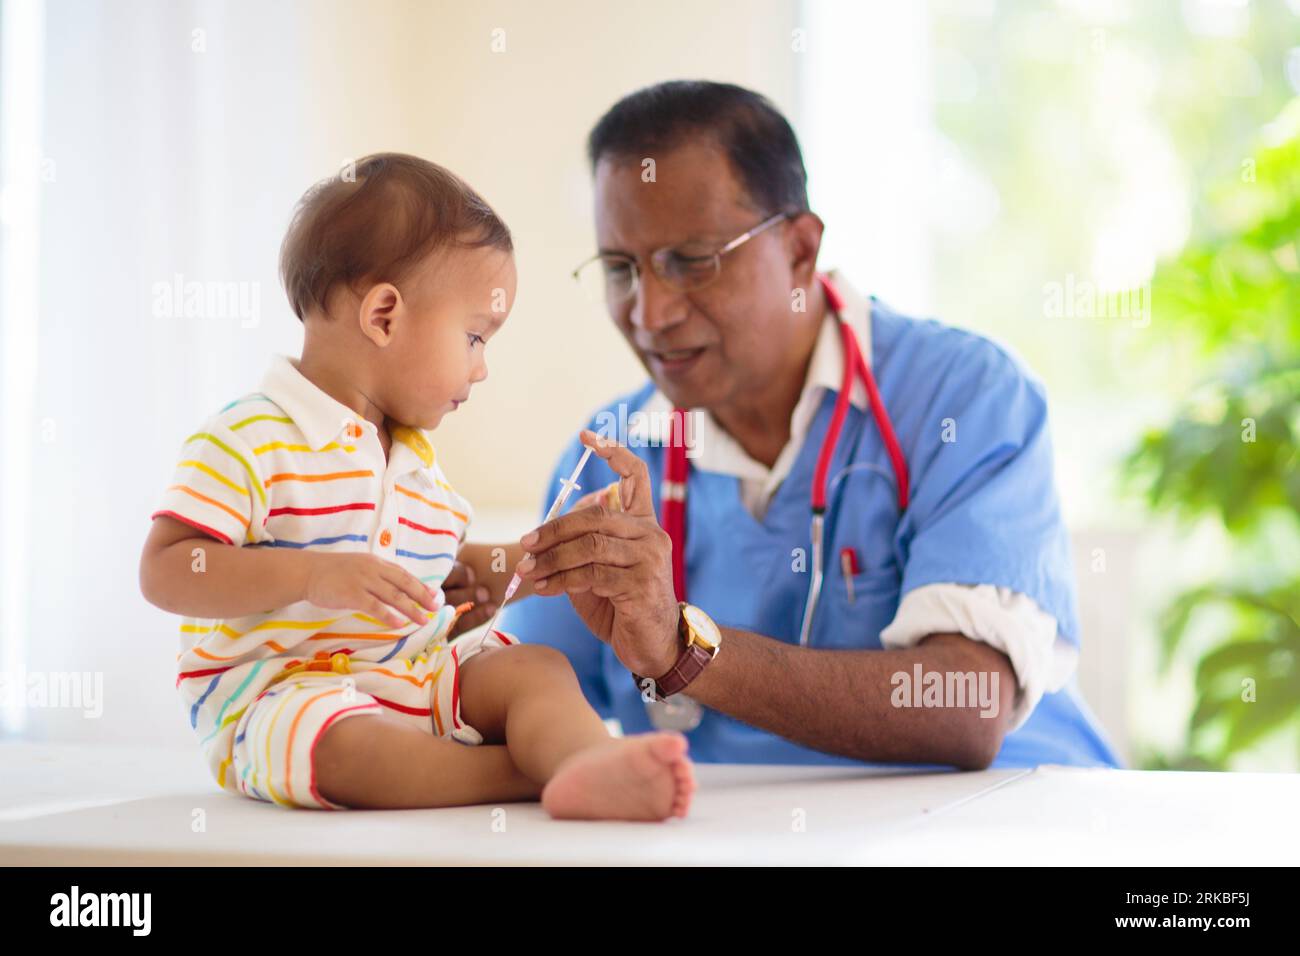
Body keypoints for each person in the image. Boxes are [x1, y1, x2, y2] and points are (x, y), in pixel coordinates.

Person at [454, 81, 1119, 771]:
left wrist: (682, 648)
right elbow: (528, 691)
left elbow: (965, 703)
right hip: (747, 839)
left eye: (692, 262)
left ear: (801, 249)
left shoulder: (965, 398)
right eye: (621, 269)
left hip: (1005, 825)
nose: (651, 313)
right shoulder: (608, 454)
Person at [138, 153, 695, 819]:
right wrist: (313, 576)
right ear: (383, 315)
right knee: (346, 750)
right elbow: (167, 569)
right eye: (475, 337)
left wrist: (562, 547)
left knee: (534, 666)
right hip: (276, 701)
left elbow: (445, 581)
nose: (481, 369)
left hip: (406, 680)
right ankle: (530, 776)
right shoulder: (247, 439)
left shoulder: (417, 466)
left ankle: (584, 765)